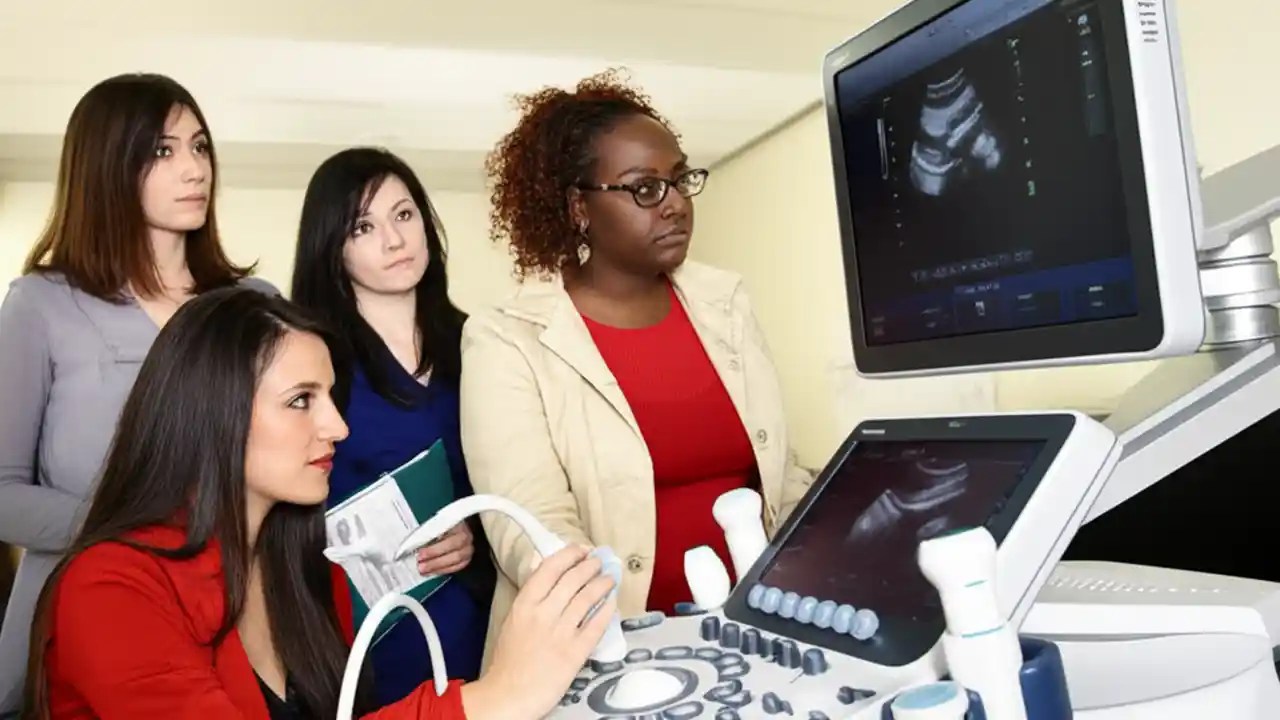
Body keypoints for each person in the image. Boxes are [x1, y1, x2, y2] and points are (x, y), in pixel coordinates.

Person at [22, 287, 616, 720]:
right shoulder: (110, 590)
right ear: (214, 413)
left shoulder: (306, 568)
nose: (337, 427)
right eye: (302, 400)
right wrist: (493, 698)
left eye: (330, 396)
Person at [462, 68, 814, 659]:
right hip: (605, 651)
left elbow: (778, 471)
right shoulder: (507, 337)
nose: (675, 205)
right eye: (645, 189)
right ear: (579, 207)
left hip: (758, 631)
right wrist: (617, 643)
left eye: (680, 180)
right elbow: (531, 523)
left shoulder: (725, 303)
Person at [0, 72, 274, 713]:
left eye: (200, 146)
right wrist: (139, 530)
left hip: (228, 623)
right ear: (107, 166)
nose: (194, 168)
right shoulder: (41, 305)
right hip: (74, 628)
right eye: (163, 150)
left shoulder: (253, 308)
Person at [291, 148, 496, 706]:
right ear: (331, 249)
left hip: (480, 606)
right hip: (363, 624)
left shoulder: (480, 343)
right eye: (364, 226)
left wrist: (477, 537)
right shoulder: (312, 361)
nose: (394, 240)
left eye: (404, 215)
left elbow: (511, 483)